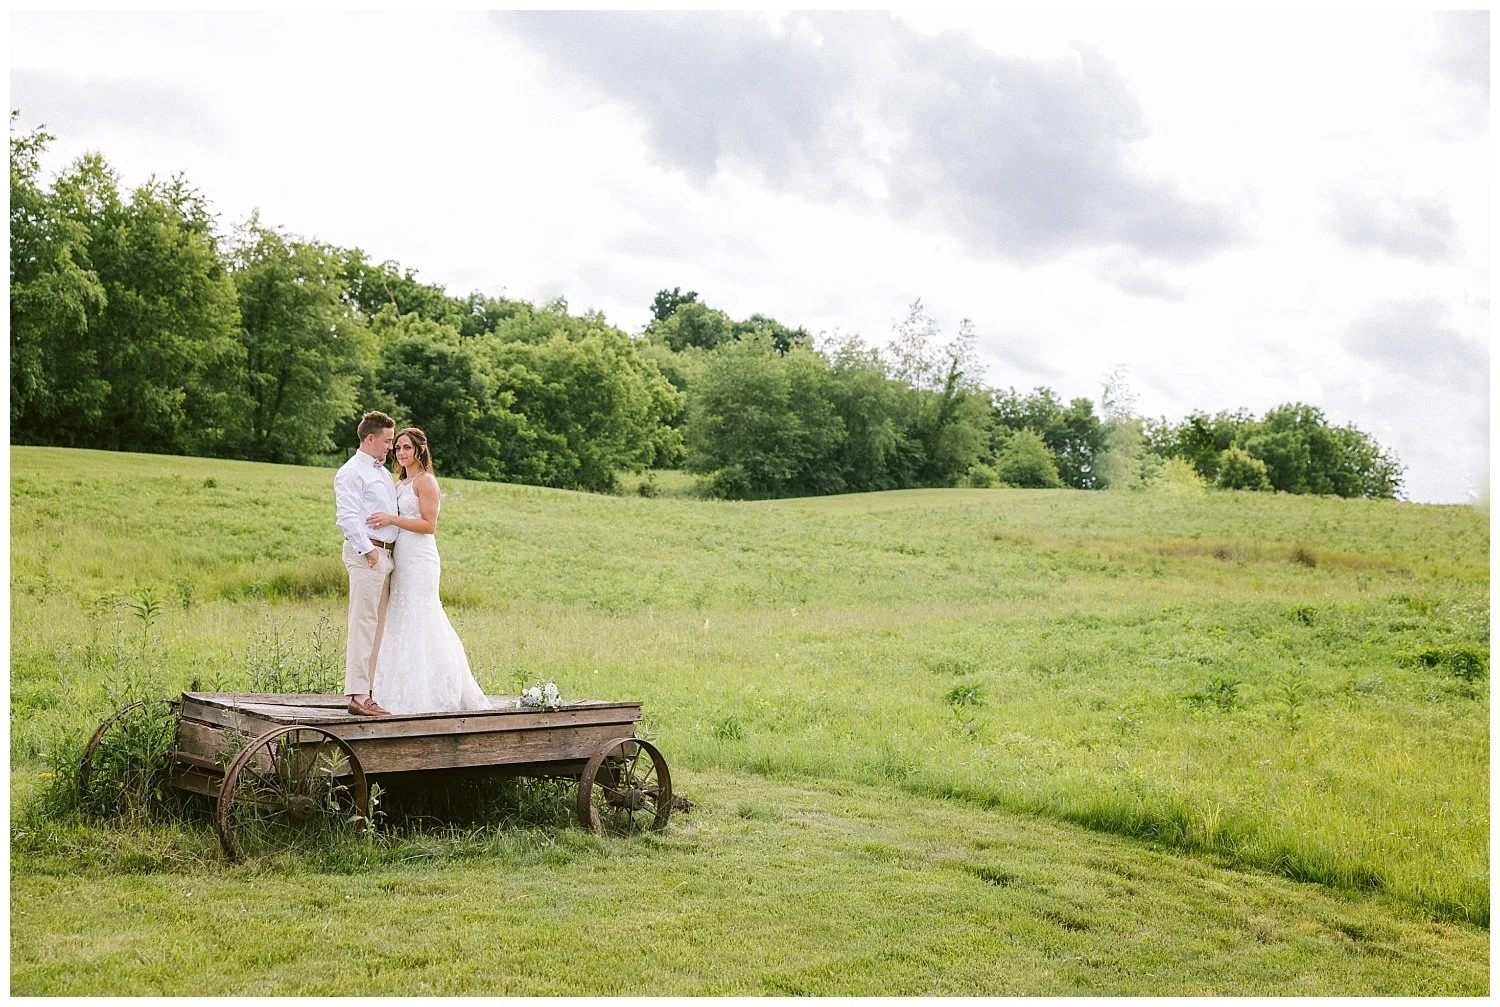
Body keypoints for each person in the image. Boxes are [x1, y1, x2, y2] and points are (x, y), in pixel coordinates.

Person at [367, 427, 493, 714]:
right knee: (400, 617)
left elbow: (429, 525)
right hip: (401, 557)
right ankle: (399, 688)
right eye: (397, 448)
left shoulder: (426, 482)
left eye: (406, 448)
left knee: (422, 615)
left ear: (419, 450)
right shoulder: (399, 484)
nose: (400, 453)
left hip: (420, 557)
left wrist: (393, 519)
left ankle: (436, 690)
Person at [333, 411, 398, 717]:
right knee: (363, 624)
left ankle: (369, 690)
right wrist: (370, 553)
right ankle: (358, 695)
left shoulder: (383, 473)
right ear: (370, 438)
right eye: (387, 441)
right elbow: (347, 517)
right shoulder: (351, 472)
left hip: (385, 556)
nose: (391, 447)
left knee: (379, 627)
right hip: (367, 556)